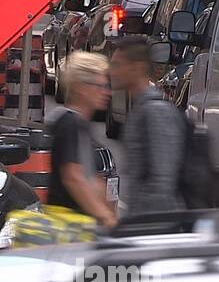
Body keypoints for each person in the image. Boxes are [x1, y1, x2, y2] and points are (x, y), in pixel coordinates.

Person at [110, 37, 186, 215]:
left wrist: (142, 225)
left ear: (137, 68)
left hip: (156, 225)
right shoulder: (140, 108)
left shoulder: (155, 111)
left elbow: (163, 179)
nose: (111, 72)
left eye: (117, 65)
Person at [46, 52, 117, 228]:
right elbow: (74, 177)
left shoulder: (79, 123)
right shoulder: (70, 123)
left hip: (78, 225)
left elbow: (88, 176)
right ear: (80, 87)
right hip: (68, 229)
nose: (107, 92)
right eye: (100, 86)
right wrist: (106, 217)